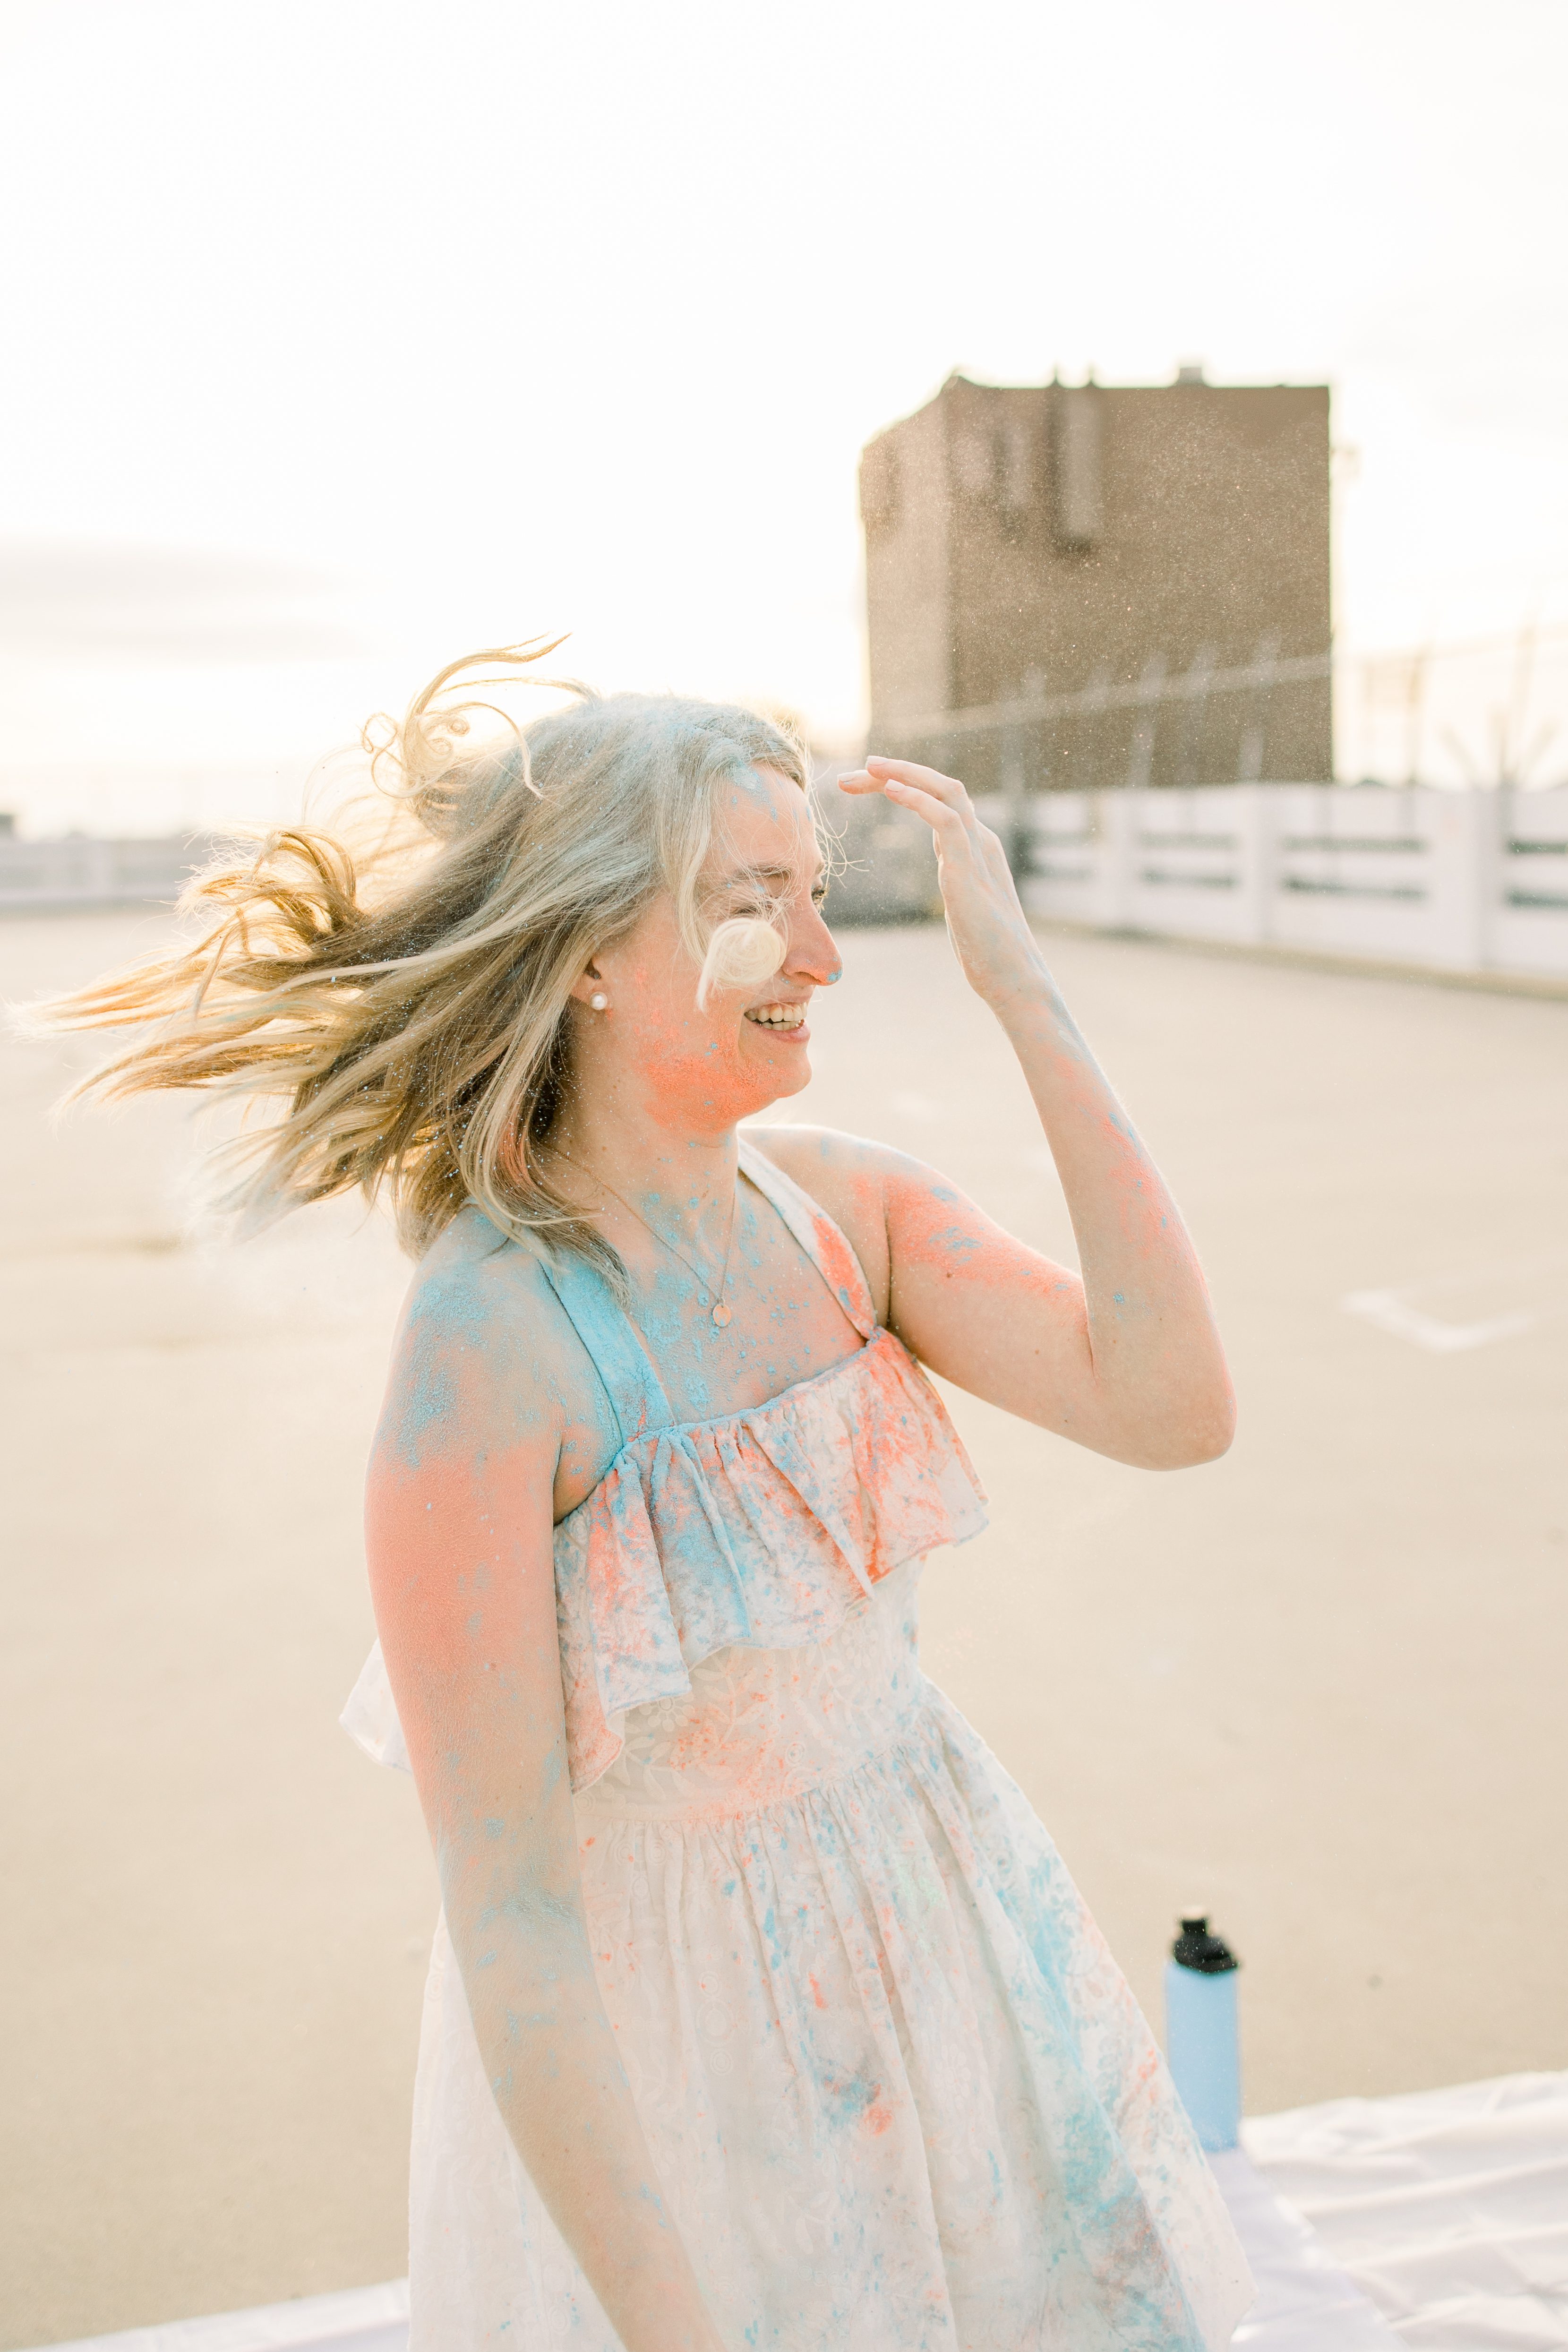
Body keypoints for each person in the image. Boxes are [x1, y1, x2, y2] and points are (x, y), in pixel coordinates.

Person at [47, 644, 1252, 2351]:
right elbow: (515, 1922)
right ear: (594, 952)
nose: (823, 953)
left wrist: (1026, 996)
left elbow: (1176, 1406)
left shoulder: (854, 1222)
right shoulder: (491, 1351)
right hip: (683, 2088)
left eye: (819, 892)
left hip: (947, 1953)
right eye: (755, 902)